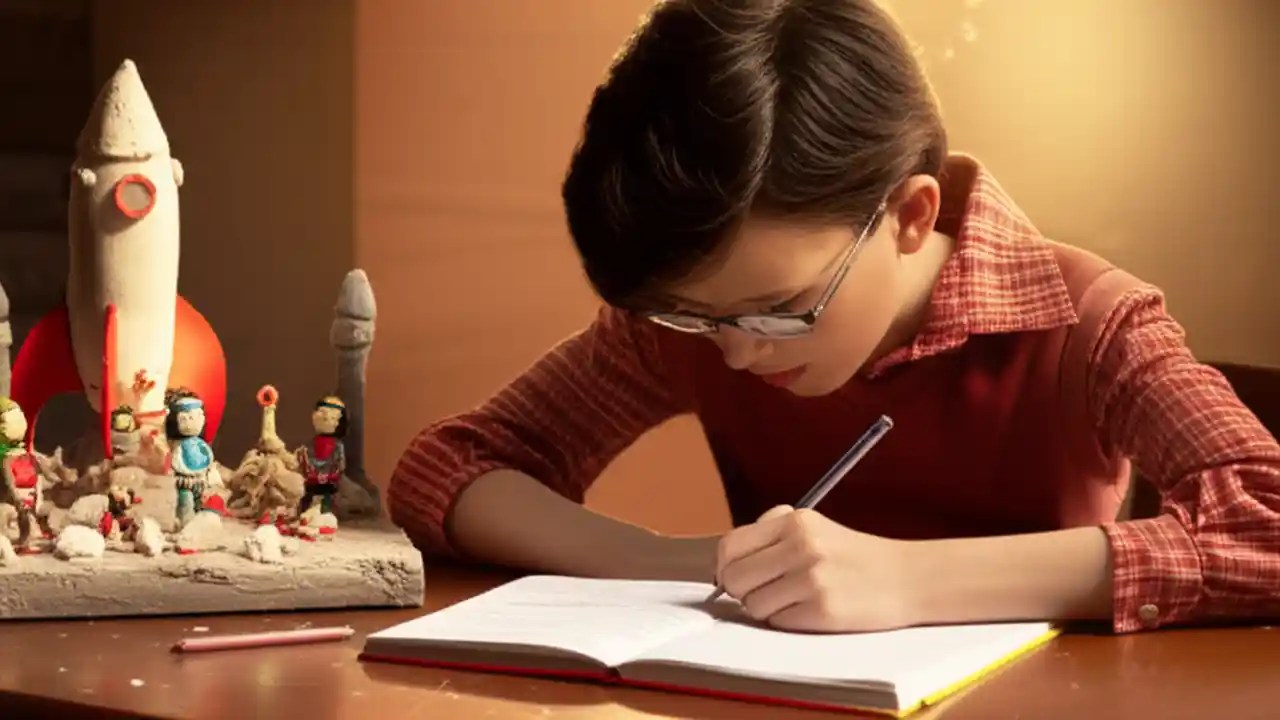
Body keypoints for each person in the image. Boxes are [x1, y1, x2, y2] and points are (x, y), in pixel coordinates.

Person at [387, 0, 1280, 634]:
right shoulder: (696, 322)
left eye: (780, 312)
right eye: (702, 319)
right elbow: (449, 468)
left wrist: (908, 580)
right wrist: (697, 562)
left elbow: (1266, 525)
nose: (735, 353)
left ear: (910, 215)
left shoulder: (1088, 324)